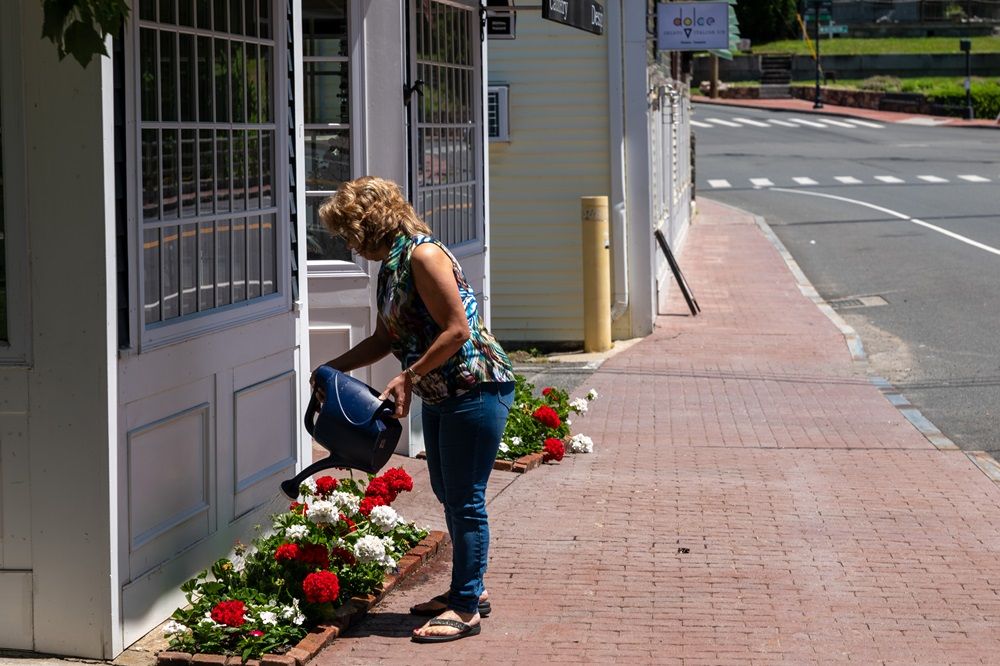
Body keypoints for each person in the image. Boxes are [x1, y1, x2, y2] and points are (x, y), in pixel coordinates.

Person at [315, 176, 515, 643]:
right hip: (444, 393)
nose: (347, 242)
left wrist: (409, 374)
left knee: (465, 500)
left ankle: (465, 608)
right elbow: (386, 338)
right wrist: (330, 367)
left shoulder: (423, 255)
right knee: (449, 492)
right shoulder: (392, 264)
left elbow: (457, 331)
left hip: (476, 387)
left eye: (348, 231)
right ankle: (470, 589)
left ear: (370, 221)